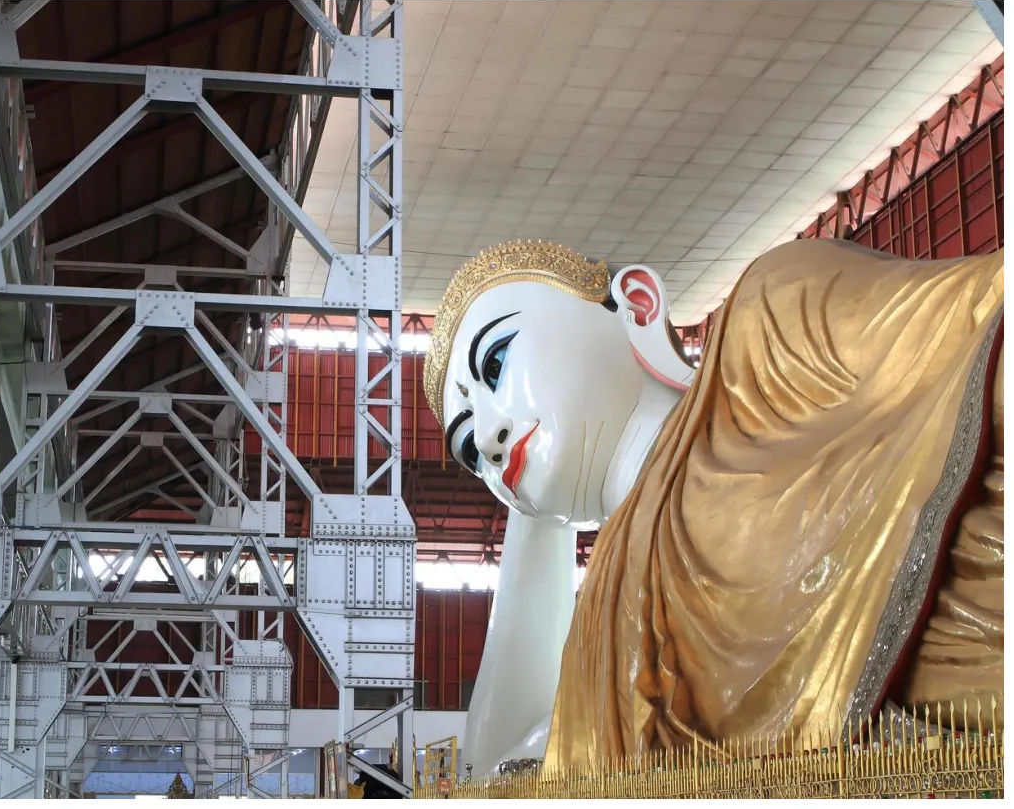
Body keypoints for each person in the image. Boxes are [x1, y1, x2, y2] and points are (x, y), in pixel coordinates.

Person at [423, 238, 1004, 772]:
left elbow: (984, 317)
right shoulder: (612, 609)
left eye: (496, 364)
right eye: (469, 448)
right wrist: (535, 515)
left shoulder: (772, 323)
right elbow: (499, 770)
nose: (489, 439)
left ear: (639, 305)